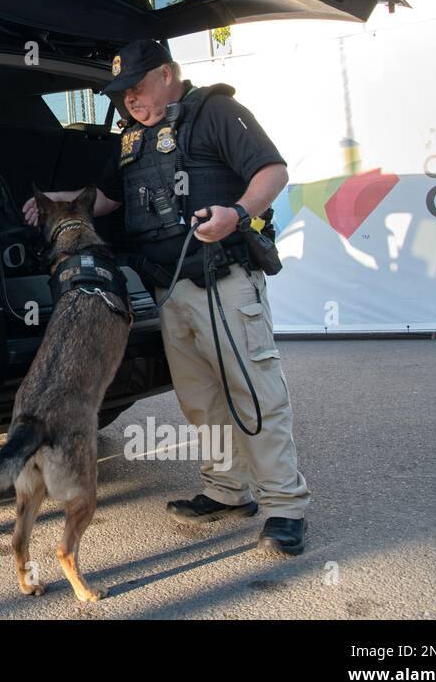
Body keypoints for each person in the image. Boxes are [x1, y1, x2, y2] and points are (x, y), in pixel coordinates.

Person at [22, 39, 310, 555]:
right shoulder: (132, 136)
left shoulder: (216, 111)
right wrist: (56, 200)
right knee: (201, 400)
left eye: (137, 87)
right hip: (168, 288)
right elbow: (107, 198)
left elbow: (273, 171)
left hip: (222, 280)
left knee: (254, 393)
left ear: (167, 74)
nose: (129, 99)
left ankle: (285, 506)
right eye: (122, 93)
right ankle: (227, 490)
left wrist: (237, 215)